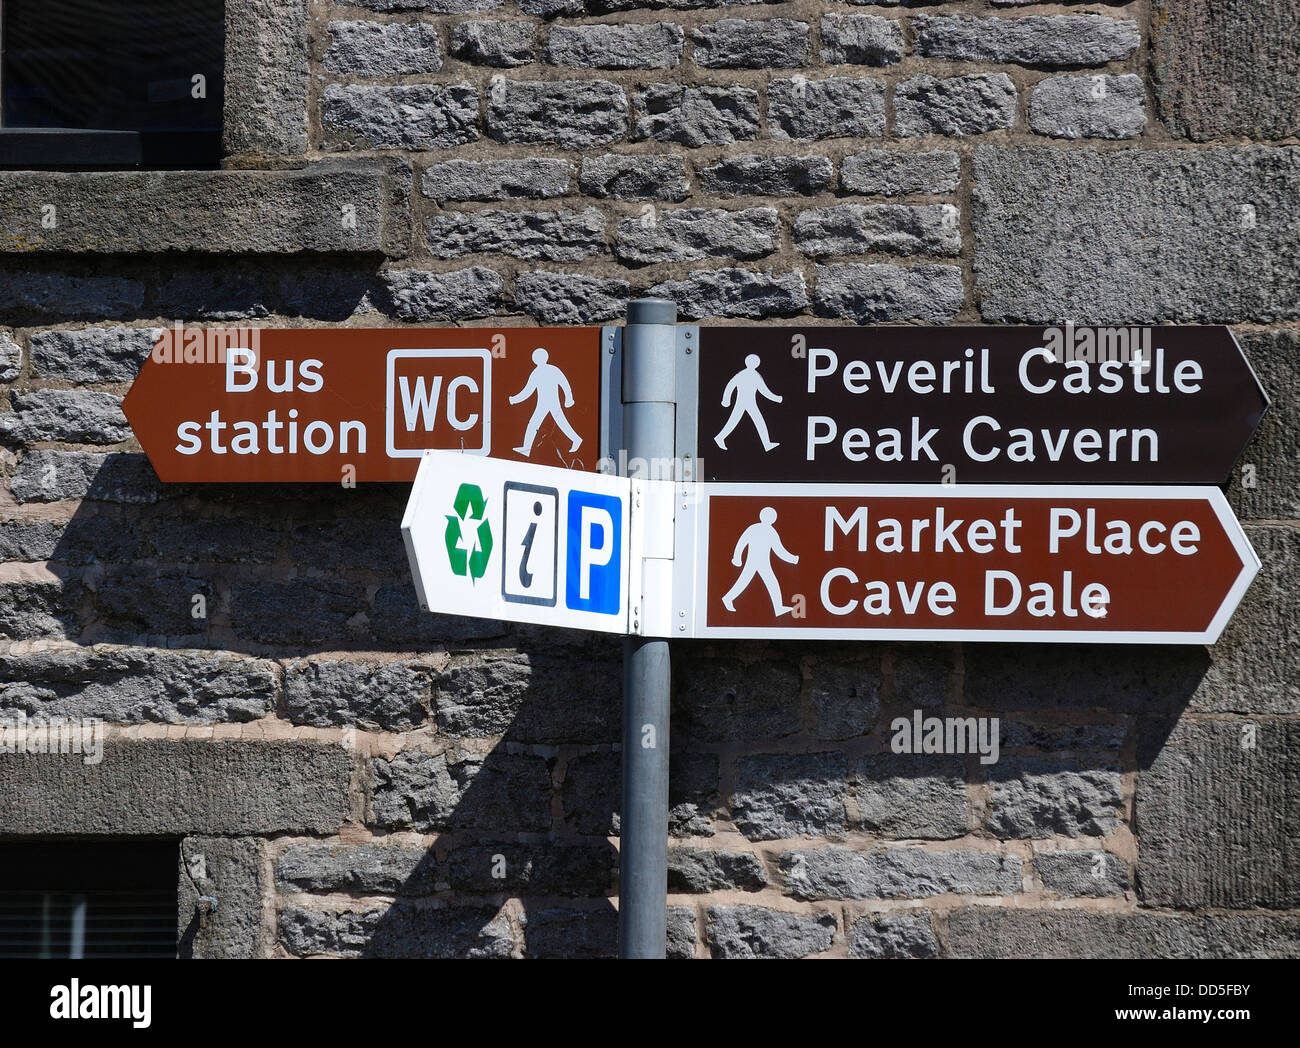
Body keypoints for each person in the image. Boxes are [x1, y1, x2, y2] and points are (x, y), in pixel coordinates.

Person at [721, 507, 799, 616]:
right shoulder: (768, 531)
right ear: (773, 518)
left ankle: (778, 607)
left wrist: (737, 557)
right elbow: (779, 550)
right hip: (755, 562)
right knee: (748, 582)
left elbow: (741, 543)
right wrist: (793, 559)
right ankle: (727, 598)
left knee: (769, 582)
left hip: (762, 563)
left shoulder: (756, 528)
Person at [510, 347, 582, 455]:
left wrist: (569, 399)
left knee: (559, 423)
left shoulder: (548, 371)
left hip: (552, 403)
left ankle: (576, 439)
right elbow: (528, 390)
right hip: (543, 403)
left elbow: (564, 384)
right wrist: (515, 399)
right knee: (534, 423)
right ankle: (526, 448)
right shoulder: (542, 371)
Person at [714, 354, 782, 452]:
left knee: (749, 421)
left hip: (748, 402)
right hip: (744, 402)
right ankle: (720, 437)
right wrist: (777, 399)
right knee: (743, 421)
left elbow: (730, 386)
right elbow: (764, 391)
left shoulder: (750, 375)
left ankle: (767, 444)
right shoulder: (751, 375)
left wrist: (726, 400)